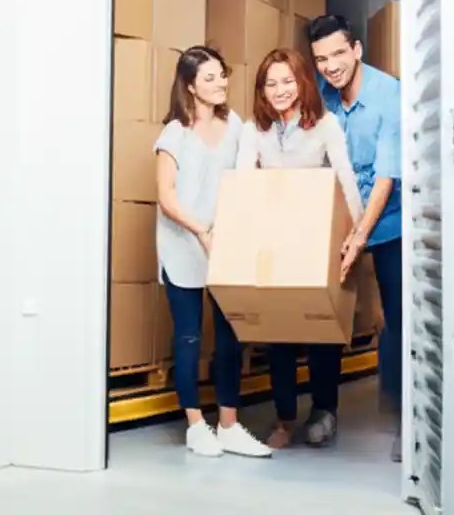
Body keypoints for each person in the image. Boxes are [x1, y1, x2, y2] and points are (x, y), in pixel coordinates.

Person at [235, 48, 364, 450]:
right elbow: (243, 180)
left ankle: (324, 412)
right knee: (280, 333)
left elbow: (344, 175)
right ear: (261, 90)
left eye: (287, 81)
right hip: (275, 238)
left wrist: (356, 235)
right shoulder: (252, 130)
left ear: (302, 82)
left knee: (322, 329)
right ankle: (284, 417)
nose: (280, 91)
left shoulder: (324, 124)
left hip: (316, 235)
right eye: (271, 83)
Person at [154, 45, 272, 459]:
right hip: (183, 243)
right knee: (189, 336)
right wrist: (201, 230)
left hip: (224, 242)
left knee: (230, 336)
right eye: (210, 77)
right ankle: (195, 425)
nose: (221, 82)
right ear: (189, 86)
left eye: (223, 75)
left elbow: (247, 176)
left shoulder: (235, 124)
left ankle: (228, 424)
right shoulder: (174, 133)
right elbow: (166, 197)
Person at [307, 14, 404, 461]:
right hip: (336, 222)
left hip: (388, 222)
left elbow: (387, 174)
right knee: (324, 314)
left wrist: (361, 235)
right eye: (321, 58)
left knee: (400, 318)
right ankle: (323, 409)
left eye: (338, 54)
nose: (330, 66)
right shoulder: (320, 97)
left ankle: (409, 418)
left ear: (358, 49)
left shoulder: (389, 95)